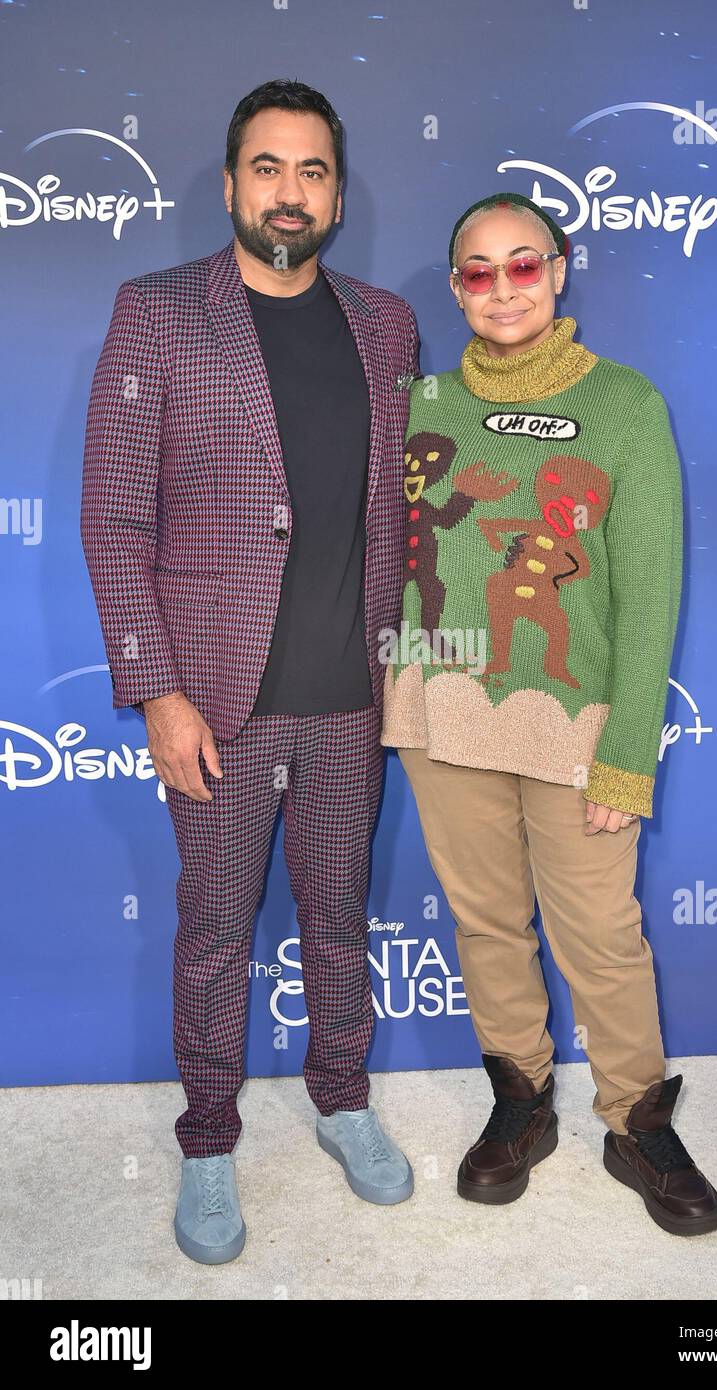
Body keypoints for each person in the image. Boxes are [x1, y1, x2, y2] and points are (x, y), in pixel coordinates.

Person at [80, 79, 418, 1265]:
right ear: (230, 186)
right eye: (267, 168)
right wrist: (157, 690)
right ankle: (210, 1139)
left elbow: (398, 514)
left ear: (335, 192)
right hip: (215, 703)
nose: (290, 191)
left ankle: (342, 1101)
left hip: (347, 699)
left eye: (312, 171)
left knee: (338, 923)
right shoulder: (157, 311)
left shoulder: (383, 325)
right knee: (216, 929)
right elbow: (115, 520)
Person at [381, 191, 717, 1235]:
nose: (499, 290)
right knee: (486, 920)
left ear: (560, 269)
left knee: (598, 933)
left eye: (520, 266)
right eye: (476, 272)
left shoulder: (624, 404)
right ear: (454, 288)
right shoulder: (420, 398)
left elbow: (649, 588)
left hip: (572, 721)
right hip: (440, 705)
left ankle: (633, 1120)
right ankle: (520, 1100)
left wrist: (626, 755)